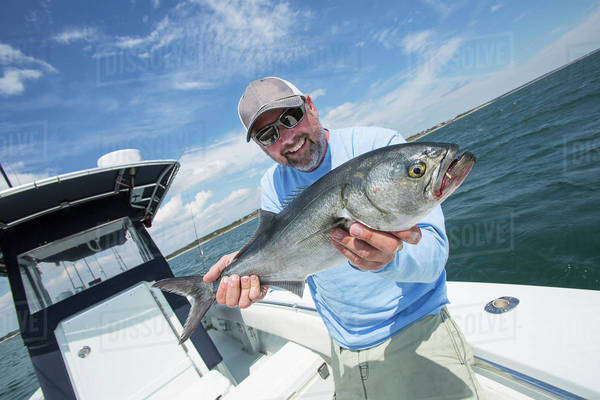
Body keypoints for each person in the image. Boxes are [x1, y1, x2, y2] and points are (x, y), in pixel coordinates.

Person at [203, 77, 483, 399]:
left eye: (290, 118)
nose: (288, 138)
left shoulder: (379, 145)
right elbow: (283, 248)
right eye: (269, 135)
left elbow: (433, 259)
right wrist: (248, 270)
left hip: (416, 334)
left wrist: (390, 258)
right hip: (343, 353)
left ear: (310, 105)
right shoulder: (272, 185)